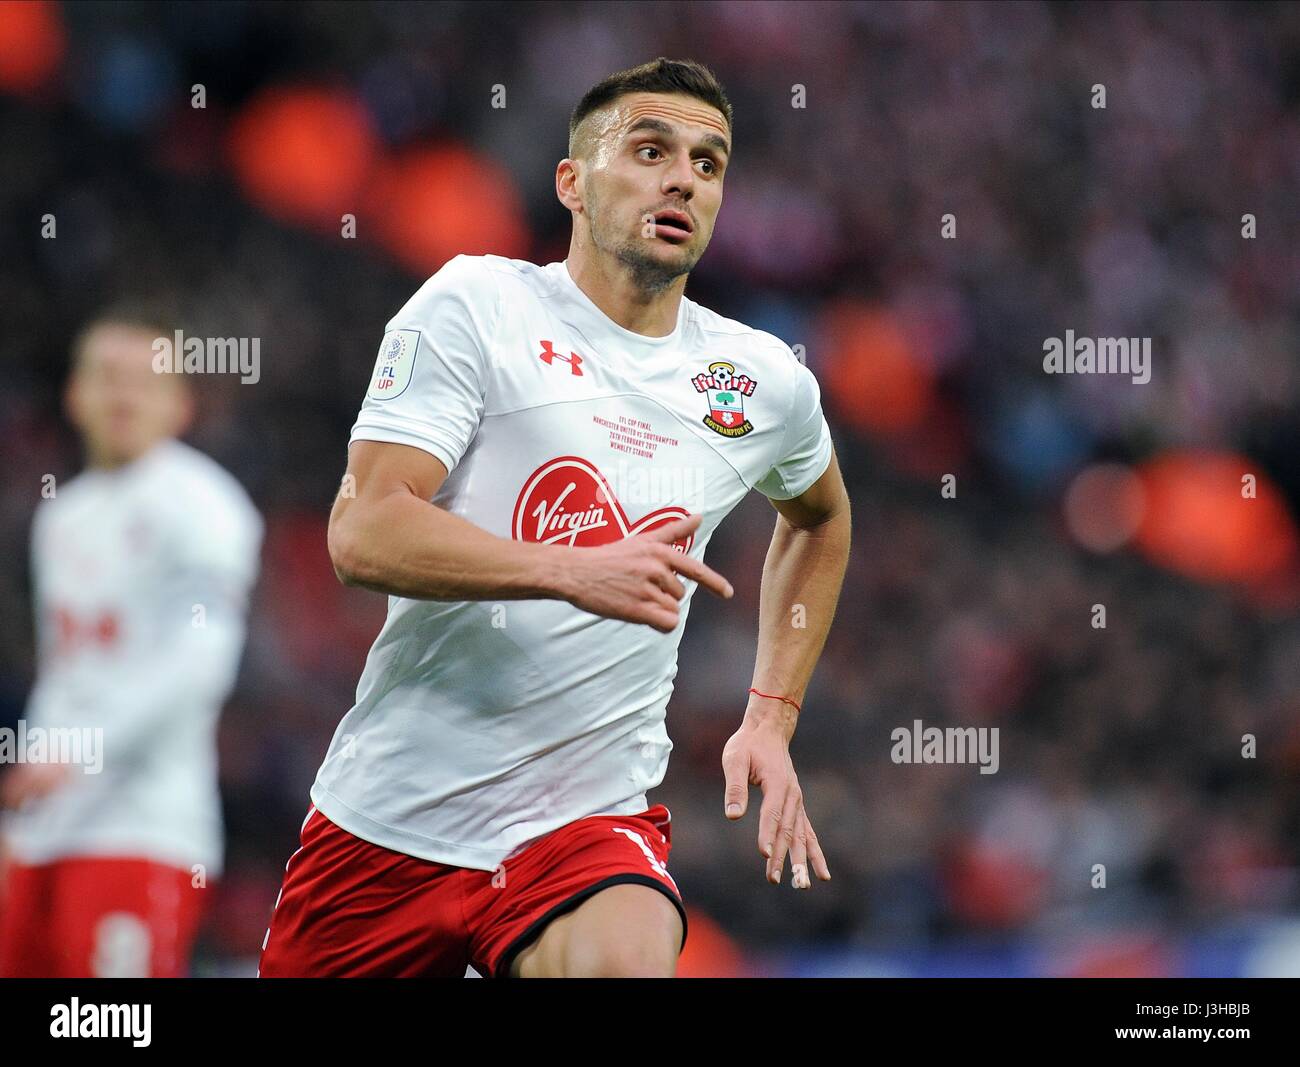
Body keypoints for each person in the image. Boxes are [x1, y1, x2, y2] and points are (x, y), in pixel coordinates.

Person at [258, 56, 851, 979]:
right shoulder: (478, 306)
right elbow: (364, 529)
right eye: (651, 149)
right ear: (572, 183)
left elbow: (819, 516)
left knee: (623, 957)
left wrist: (771, 714)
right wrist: (572, 569)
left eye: (708, 162)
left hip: (582, 828)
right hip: (390, 820)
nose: (683, 178)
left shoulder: (760, 380)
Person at [0, 308, 264, 977]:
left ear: (179, 404)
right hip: (45, 830)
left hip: (143, 825)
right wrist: (29, 794)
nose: (123, 395)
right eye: (106, 376)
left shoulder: (205, 506)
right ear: (73, 394)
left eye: (144, 381)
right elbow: (68, 671)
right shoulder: (62, 515)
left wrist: (74, 756)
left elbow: (200, 663)